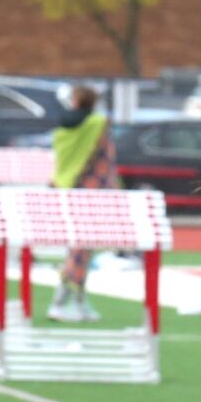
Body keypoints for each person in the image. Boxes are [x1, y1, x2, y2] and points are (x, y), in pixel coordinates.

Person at [49, 84, 118, 322]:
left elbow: (60, 158)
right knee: (81, 248)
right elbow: (105, 162)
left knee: (79, 247)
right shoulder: (98, 125)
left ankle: (77, 300)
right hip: (89, 190)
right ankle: (61, 300)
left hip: (66, 187)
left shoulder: (61, 127)